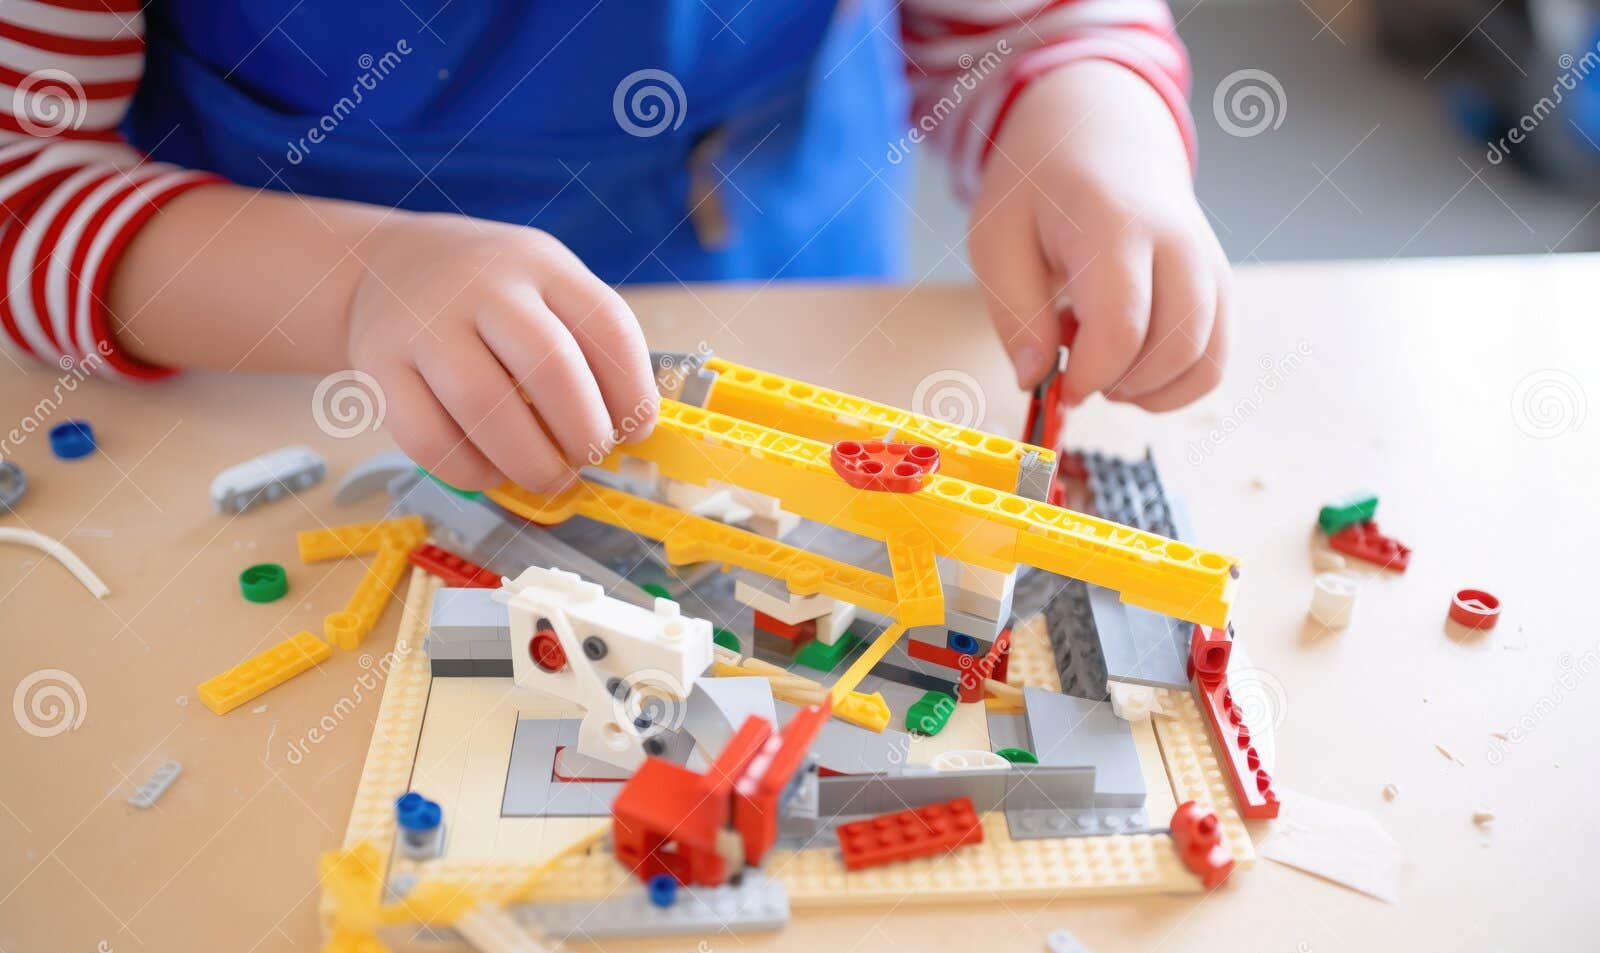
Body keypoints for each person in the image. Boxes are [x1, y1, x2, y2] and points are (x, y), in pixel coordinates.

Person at [0, 1, 1228, 493]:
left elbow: (1023, 28)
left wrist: (1088, 112)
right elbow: (23, 180)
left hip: (793, 269)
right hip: (280, 371)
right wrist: (356, 284)